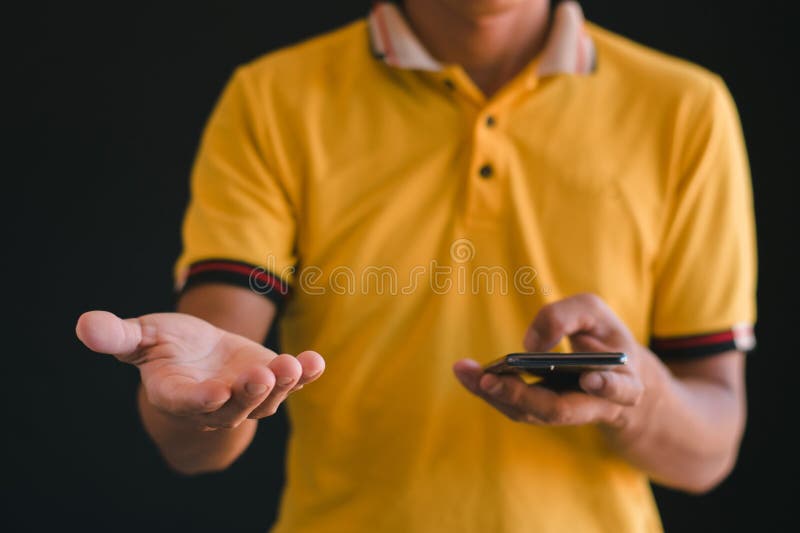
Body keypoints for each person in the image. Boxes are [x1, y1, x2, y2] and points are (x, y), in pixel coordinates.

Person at [75, 1, 757, 531]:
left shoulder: (687, 111)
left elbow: (711, 449)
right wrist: (202, 405)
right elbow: (202, 408)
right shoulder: (272, 99)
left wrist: (636, 398)